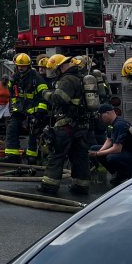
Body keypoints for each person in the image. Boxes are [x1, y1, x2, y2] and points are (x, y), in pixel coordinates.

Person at [38, 55, 93, 196]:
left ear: (61, 67)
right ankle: (81, 186)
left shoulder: (67, 79)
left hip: (66, 124)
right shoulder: (80, 77)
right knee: (79, 156)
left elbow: (59, 99)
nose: (55, 73)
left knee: (57, 154)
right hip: (81, 125)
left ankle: (49, 186)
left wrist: (45, 94)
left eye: (56, 70)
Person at [4, 52, 47, 163]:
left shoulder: (36, 78)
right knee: (12, 128)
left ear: (28, 66)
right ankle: (12, 155)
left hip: (34, 110)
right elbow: (12, 94)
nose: (21, 68)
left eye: (23, 66)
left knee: (33, 131)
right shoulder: (15, 78)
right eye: (19, 66)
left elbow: (44, 95)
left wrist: (40, 111)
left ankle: (31, 156)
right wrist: (14, 106)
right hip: (20, 109)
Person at [89, 104, 132, 186]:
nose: (100, 118)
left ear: (108, 113)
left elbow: (117, 149)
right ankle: (117, 174)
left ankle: (129, 175)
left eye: (101, 115)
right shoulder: (111, 124)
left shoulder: (119, 125)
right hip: (123, 149)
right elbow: (109, 140)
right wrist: (99, 151)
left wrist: (97, 154)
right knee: (94, 148)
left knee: (111, 157)